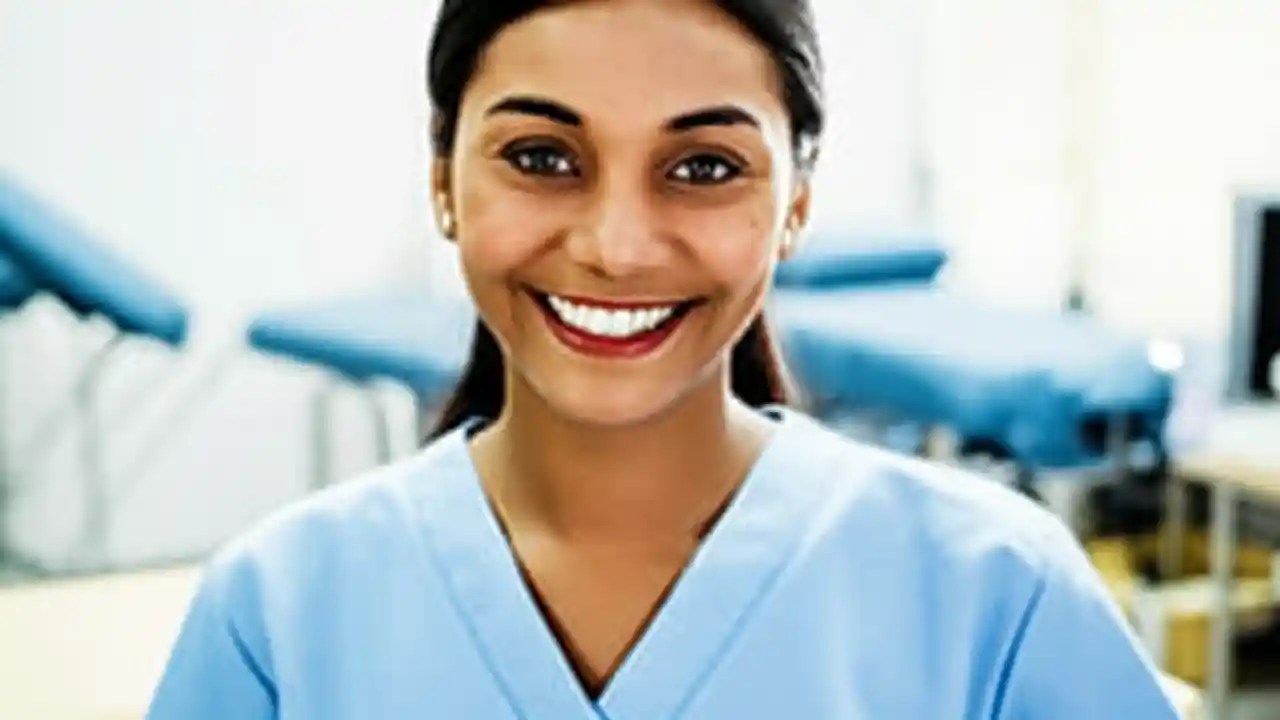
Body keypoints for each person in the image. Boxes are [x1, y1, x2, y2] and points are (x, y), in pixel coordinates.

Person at [148, 0, 1179, 717]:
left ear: (796, 209)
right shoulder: (281, 610)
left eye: (702, 167)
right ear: (442, 181)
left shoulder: (992, 596)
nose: (618, 244)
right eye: (542, 159)